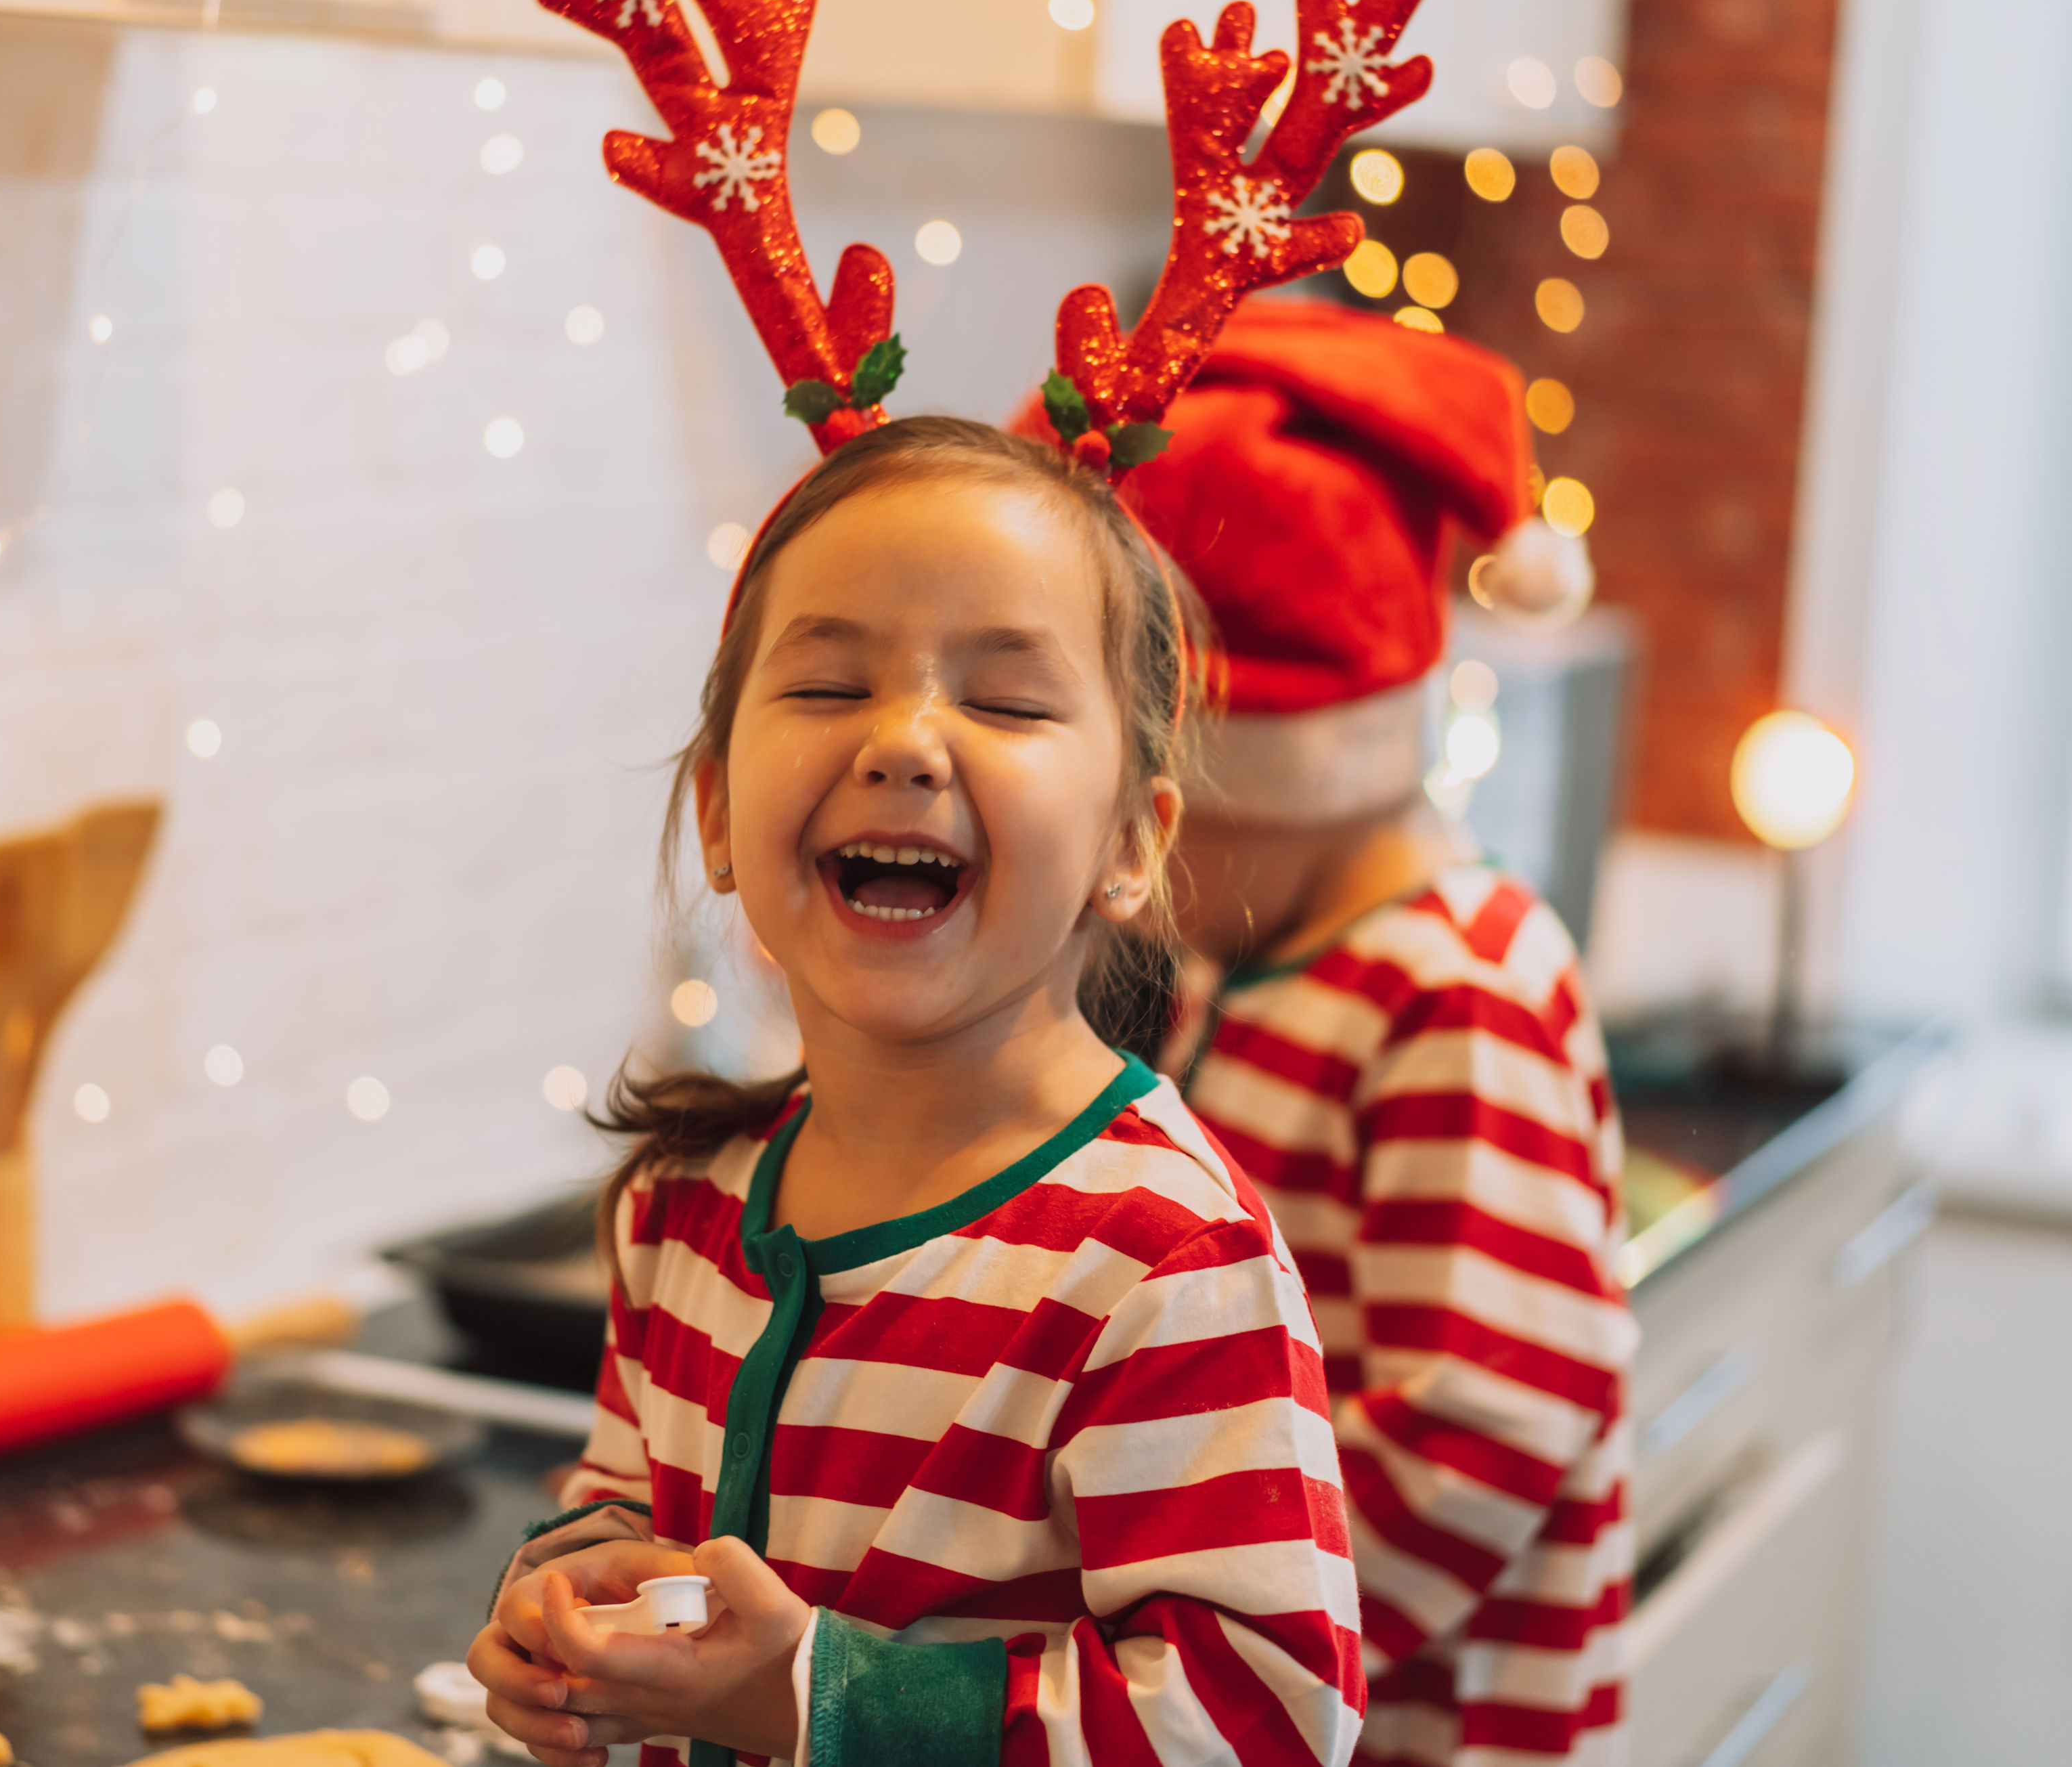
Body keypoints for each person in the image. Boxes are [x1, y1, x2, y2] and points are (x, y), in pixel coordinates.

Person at [465, 419, 1363, 1767]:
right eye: (829, 685)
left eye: (1003, 702)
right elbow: (621, 1500)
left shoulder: (1165, 1263)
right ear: (717, 810)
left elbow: (1265, 1721)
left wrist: (819, 1698)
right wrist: (568, 1604)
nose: (905, 742)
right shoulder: (682, 1207)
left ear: (1132, 841)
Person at [1080, 299, 1635, 1767]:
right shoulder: (1261, 961)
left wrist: (1232, 1651)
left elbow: (1488, 1422)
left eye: (1156, 827)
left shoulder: (1456, 991)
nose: (1132, 875)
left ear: (1276, 780)